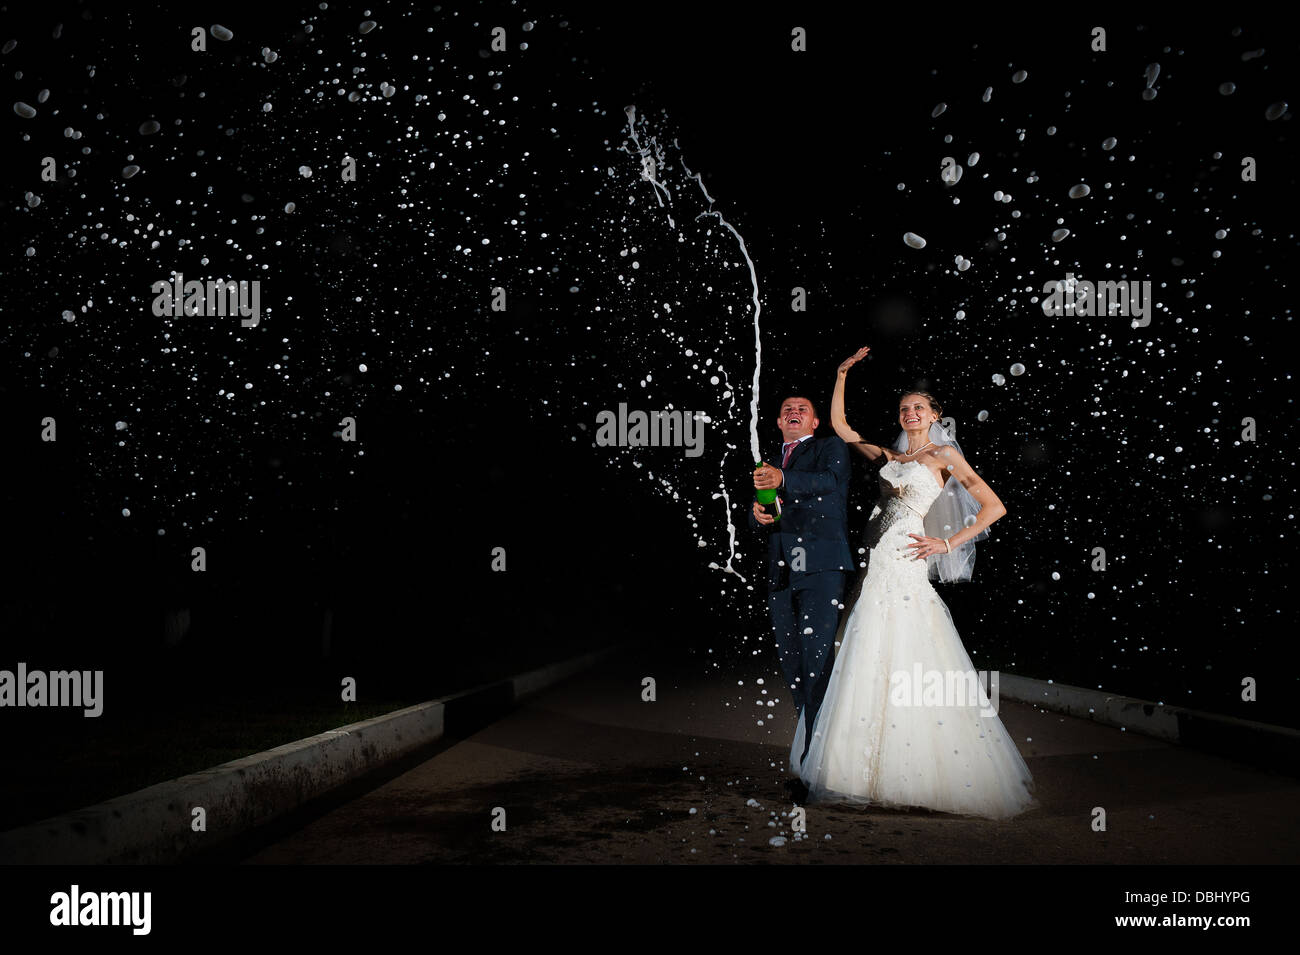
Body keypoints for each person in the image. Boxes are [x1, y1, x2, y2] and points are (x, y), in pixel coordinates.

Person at [796, 346, 1036, 819]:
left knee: (911, 653)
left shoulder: (945, 455)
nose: (910, 414)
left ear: (934, 416)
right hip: (877, 565)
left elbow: (994, 507)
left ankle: (920, 770)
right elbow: (843, 429)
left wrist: (946, 545)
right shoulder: (889, 454)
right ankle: (859, 771)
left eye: (918, 408)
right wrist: (842, 372)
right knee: (869, 653)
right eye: (904, 409)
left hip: (907, 563)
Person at [749, 396, 853, 796]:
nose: (794, 411)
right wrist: (755, 514)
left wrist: (784, 479)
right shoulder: (770, 461)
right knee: (793, 664)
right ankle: (813, 747)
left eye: (802, 408)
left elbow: (828, 482)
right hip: (780, 571)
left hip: (821, 567)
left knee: (817, 662)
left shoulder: (830, 448)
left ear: (814, 419)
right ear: (778, 421)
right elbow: (767, 506)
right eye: (787, 408)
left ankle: (817, 766)